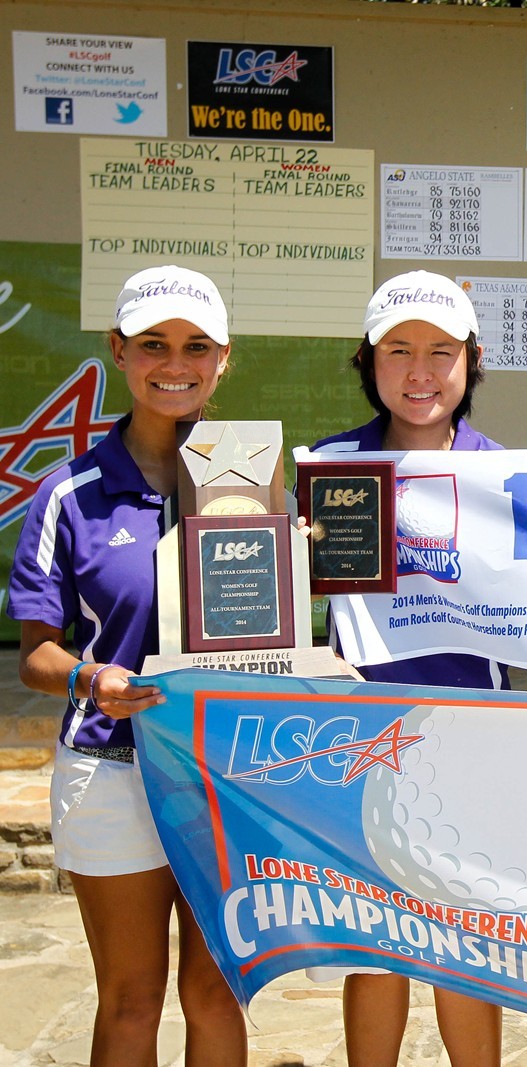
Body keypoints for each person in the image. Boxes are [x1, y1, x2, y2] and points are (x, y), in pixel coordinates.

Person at [7, 266, 248, 1065]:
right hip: (112, 767)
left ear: (223, 359)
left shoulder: (256, 479)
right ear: (118, 350)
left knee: (216, 991)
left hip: (224, 768)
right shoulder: (69, 492)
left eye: (195, 346)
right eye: (153, 344)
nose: (174, 362)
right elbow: (37, 653)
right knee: (132, 996)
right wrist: (90, 679)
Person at [310, 271, 503, 1066]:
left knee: (463, 947)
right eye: (398, 351)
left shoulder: (509, 473)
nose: (420, 371)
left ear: (471, 360)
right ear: (369, 359)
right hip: (364, 738)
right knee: (374, 942)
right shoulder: (325, 465)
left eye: (440, 351)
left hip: (474, 741)